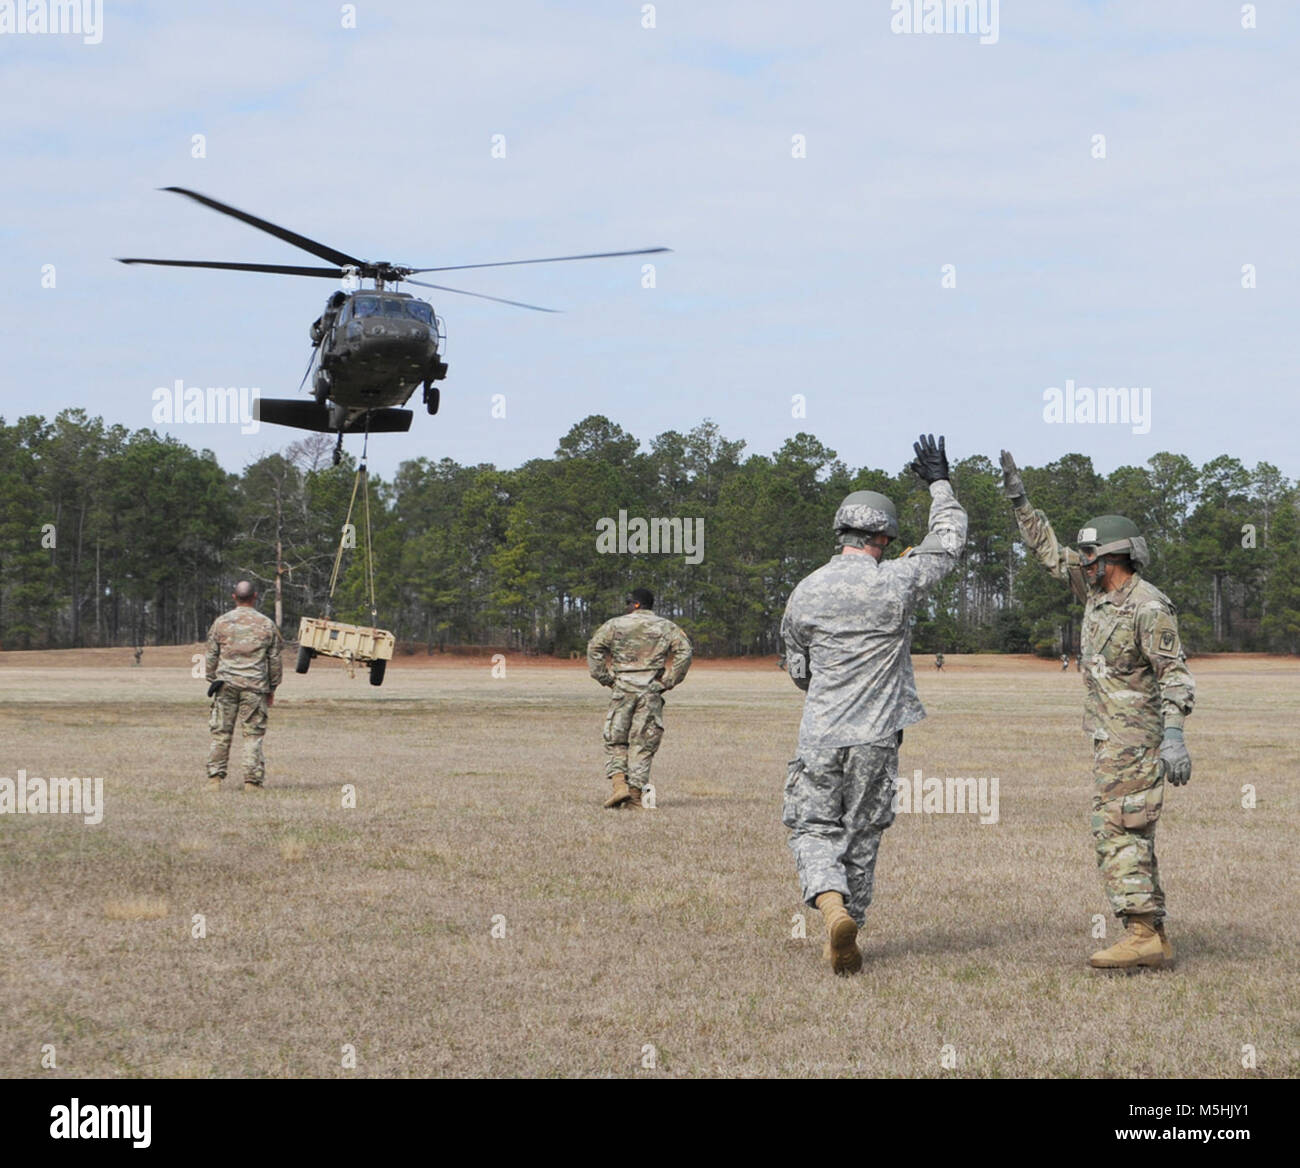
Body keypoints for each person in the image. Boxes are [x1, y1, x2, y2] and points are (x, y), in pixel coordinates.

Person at [999, 451, 1194, 969]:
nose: (1081, 561)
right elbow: (1047, 552)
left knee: (1118, 828)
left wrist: (1173, 737)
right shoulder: (1097, 594)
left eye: (1090, 554)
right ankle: (1151, 933)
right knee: (1126, 827)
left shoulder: (1148, 606)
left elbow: (1175, 675)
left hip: (1137, 741)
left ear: (1115, 557)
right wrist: (1021, 501)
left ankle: (1142, 932)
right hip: (1109, 738)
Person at [781, 435, 967, 975]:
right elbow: (949, 542)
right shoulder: (897, 579)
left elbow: (799, 670)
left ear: (841, 532)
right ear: (883, 537)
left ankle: (829, 903)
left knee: (813, 826)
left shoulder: (805, 591)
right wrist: (939, 484)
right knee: (862, 832)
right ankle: (850, 926)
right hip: (876, 738)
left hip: (821, 733)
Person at [586, 588, 692, 809]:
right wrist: (669, 680)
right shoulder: (666, 627)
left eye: (628, 602)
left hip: (622, 689)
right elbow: (685, 651)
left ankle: (619, 786)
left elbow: (594, 649)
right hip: (651, 692)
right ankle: (634, 795)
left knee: (616, 738)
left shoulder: (614, 625)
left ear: (635, 604)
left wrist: (607, 679)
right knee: (643, 743)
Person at [204, 580, 284, 792]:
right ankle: (252, 782)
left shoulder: (221, 622)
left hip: (226, 685)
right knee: (253, 735)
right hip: (255, 687)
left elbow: (211, 655)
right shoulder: (266, 624)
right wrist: (272, 688)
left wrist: (213, 679)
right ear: (255, 596)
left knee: (221, 733)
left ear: (234, 597)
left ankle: (214, 779)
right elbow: (274, 660)